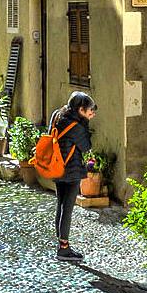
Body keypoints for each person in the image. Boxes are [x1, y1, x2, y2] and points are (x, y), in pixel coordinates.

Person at [49, 91, 96, 261]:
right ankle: (64, 248)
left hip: (56, 167)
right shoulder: (76, 126)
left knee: (60, 205)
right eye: (90, 110)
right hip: (71, 170)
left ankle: (61, 243)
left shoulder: (57, 115)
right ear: (81, 110)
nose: (92, 113)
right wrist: (85, 124)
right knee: (67, 208)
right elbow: (86, 146)